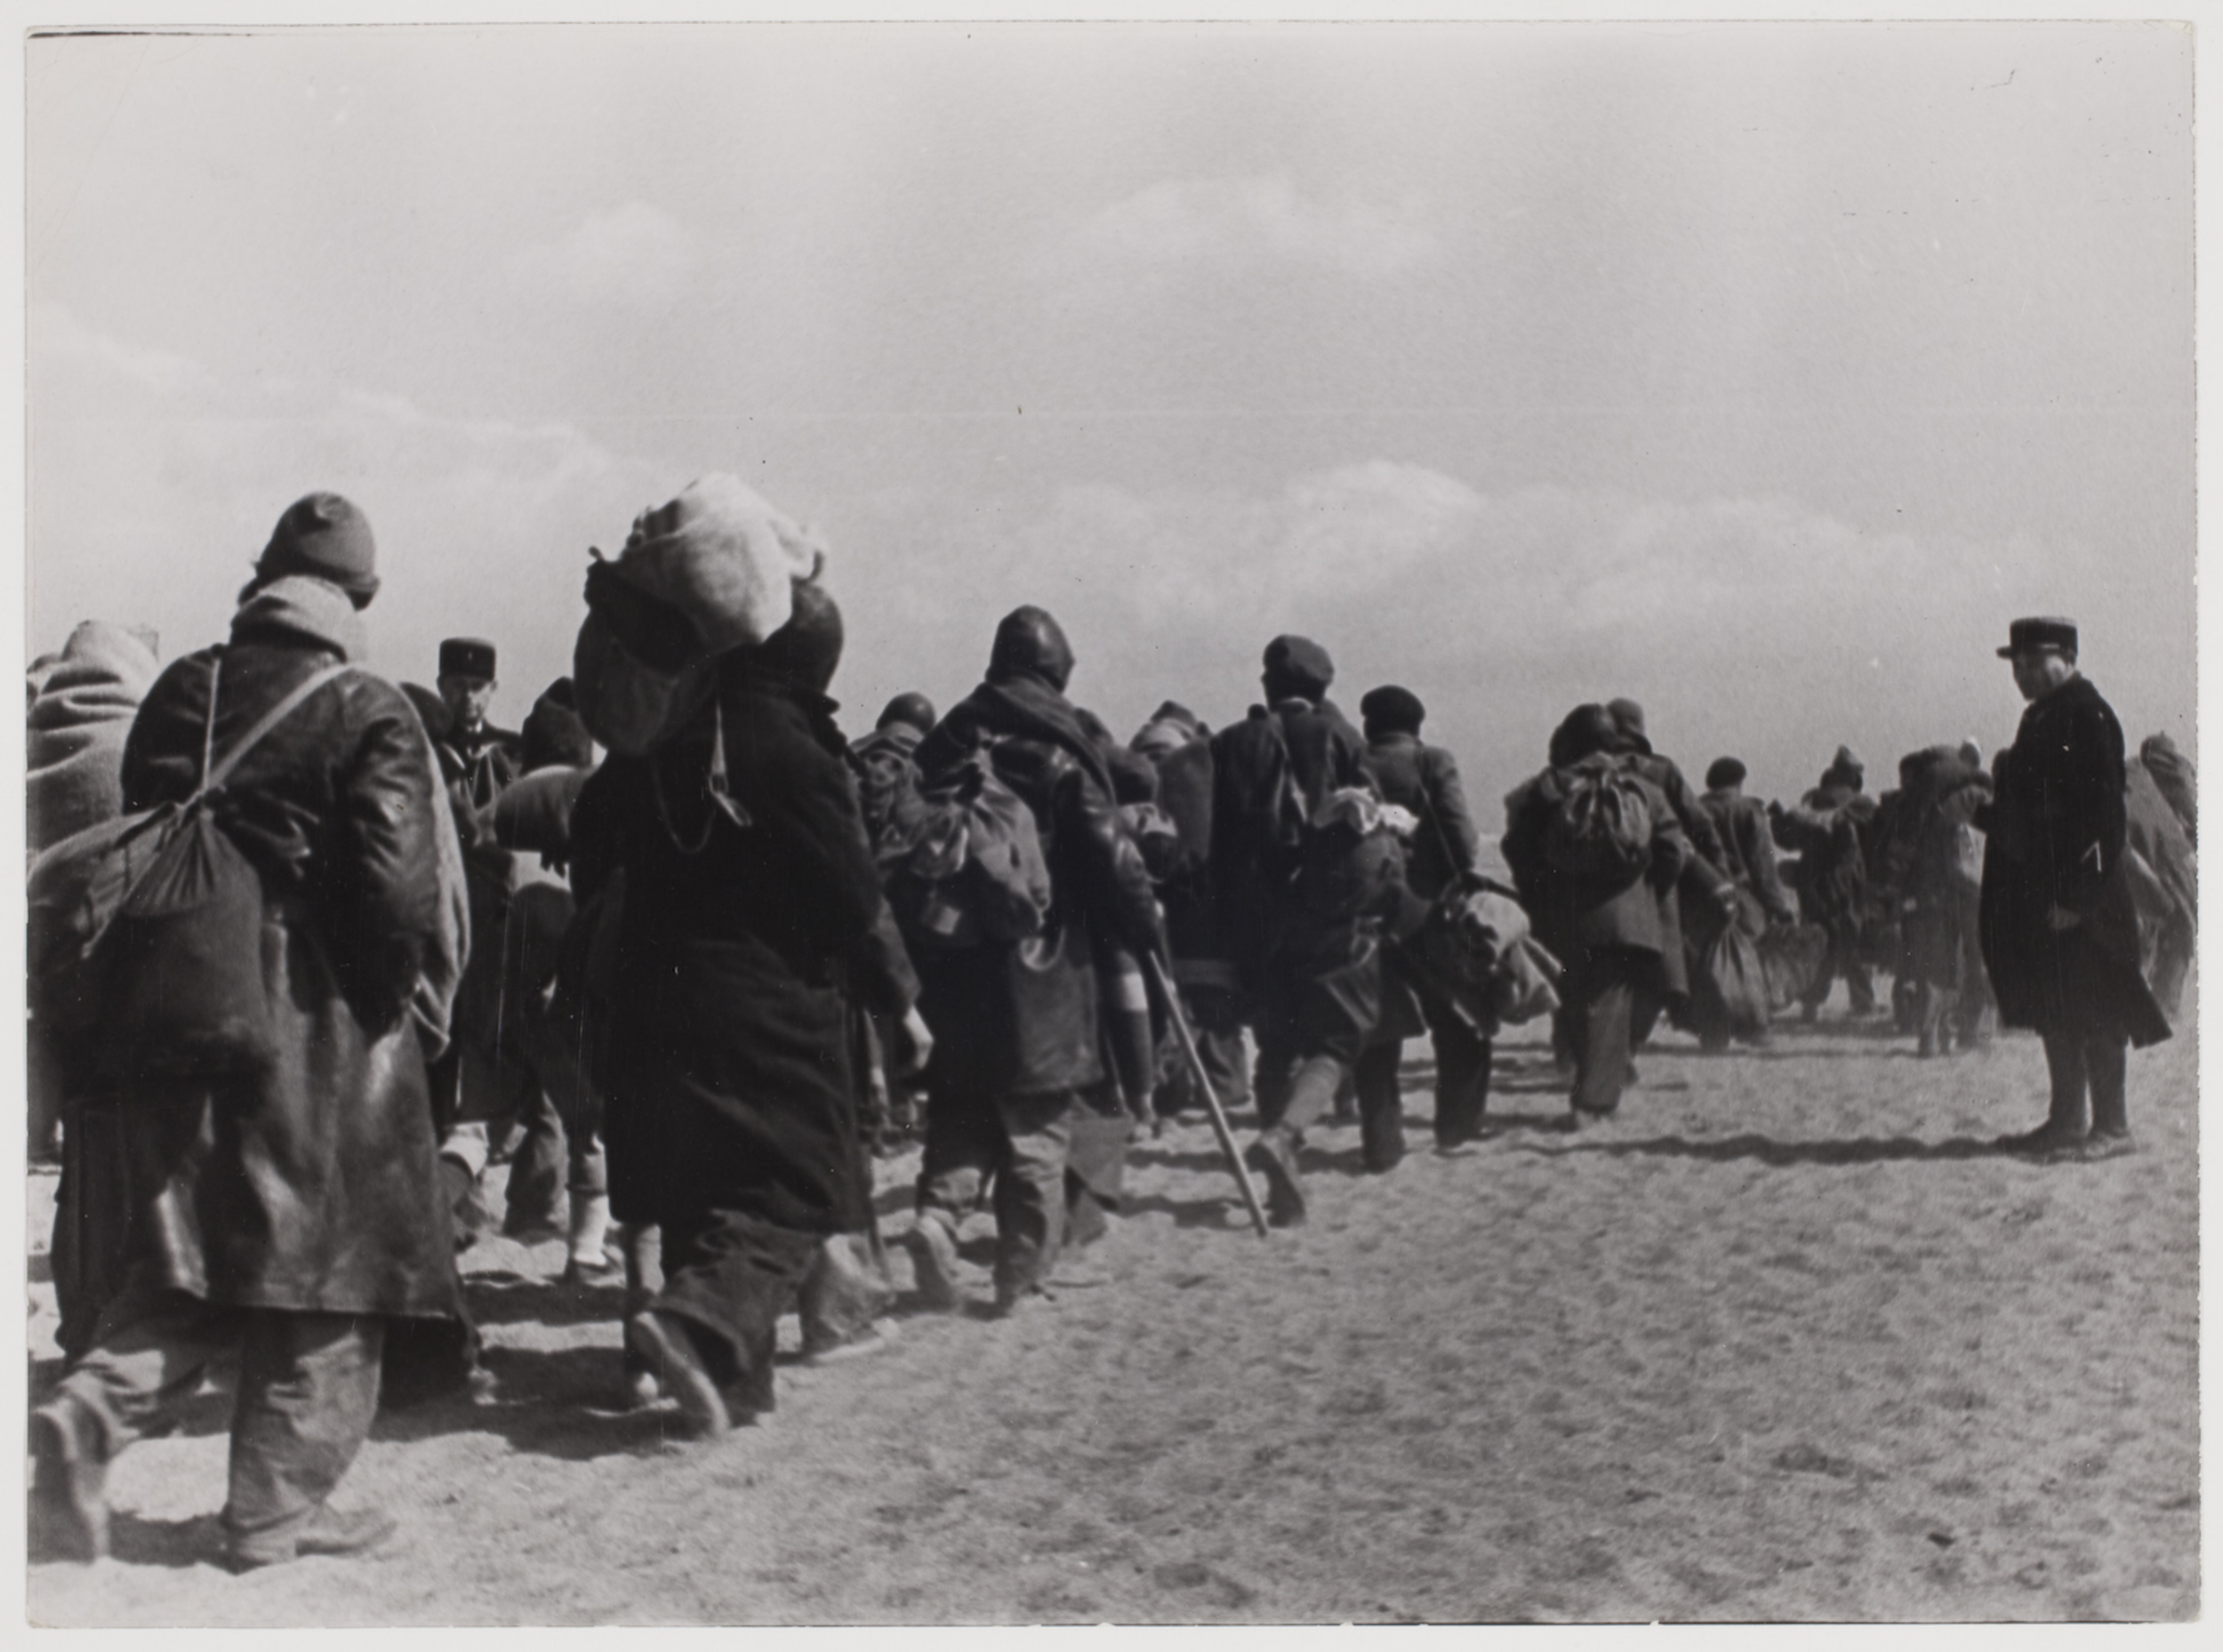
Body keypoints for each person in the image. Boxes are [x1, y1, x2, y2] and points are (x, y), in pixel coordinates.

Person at [31, 492, 469, 1569]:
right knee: (328, 1273)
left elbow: (145, 826)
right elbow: (396, 888)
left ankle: (91, 1409)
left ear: (262, 577)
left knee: (191, 1259)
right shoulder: (369, 705)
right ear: (358, 599)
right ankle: (274, 1509)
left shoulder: (184, 686)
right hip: (311, 1029)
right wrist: (387, 1004)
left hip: (181, 1002)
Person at [572, 576, 924, 1435]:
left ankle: (732, 1378)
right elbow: (851, 899)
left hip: (655, 996)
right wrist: (902, 1003)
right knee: (798, 1183)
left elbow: (592, 840)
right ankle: (698, 1321)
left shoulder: (661, 732)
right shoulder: (795, 746)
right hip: (767, 1009)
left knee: (706, 1181)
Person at [903, 605, 1166, 1311]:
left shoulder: (950, 738)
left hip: (955, 961)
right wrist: (1145, 927)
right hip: (1043, 971)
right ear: (1057, 670)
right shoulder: (1063, 744)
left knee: (962, 1112)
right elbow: (1112, 857)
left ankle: (937, 1218)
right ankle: (1020, 1274)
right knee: (1038, 1131)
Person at [1210, 635, 1392, 1222]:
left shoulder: (1232, 742)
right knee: (1334, 1043)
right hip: (1328, 916)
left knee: (1274, 1046)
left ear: (1267, 686)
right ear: (1323, 689)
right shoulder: (1340, 736)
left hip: (1254, 920)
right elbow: (1376, 818)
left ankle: (1279, 1183)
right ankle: (1285, 1136)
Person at [1977, 617, 2171, 1158]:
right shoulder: (2041, 716)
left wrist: (2078, 899)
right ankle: (2065, 1122)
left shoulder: (2087, 714)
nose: (2023, 675)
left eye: (2035, 663)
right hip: (2045, 891)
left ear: (2067, 657)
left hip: (2085, 896)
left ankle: (2113, 1128)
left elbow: (2105, 817)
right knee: (2055, 1009)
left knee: (2099, 1010)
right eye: (2017, 666)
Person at [1502, 704, 1688, 1124]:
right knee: (1608, 1005)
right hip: (1626, 918)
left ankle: (1587, 1090)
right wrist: (1642, 888)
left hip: (1559, 916)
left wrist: (1541, 890)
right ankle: (1594, 1102)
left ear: (1570, 741)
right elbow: (1673, 851)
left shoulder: (1544, 789)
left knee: (1571, 1003)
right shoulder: (1643, 791)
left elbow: (1516, 849)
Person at [1353, 685, 1492, 1160]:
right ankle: (1455, 1129)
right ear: (1416, 726)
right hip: (1425, 908)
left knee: (1376, 1031)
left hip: (1363, 911)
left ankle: (1382, 1143)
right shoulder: (1433, 761)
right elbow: (1460, 836)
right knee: (1458, 1018)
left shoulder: (1351, 762)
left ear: (1370, 725)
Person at [1605, 699, 1737, 1047]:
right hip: (1661, 882)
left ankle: (1617, 1045)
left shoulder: (1586, 770)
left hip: (1606, 887)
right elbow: (1701, 825)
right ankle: (1712, 1031)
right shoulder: (1661, 771)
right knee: (1677, 958)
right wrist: (1718, 873)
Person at [1770, 746, 1879, 1019]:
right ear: (1854, 777)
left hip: (1811, 879)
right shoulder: (1860, 803)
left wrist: (1779, 817)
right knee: (1849, 938)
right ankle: (1863, 1000)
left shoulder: (1810, 802)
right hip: (1846, 880)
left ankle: (1811, 1002)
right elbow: (1875, 840)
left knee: (1817, 940)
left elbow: (1788, 839)